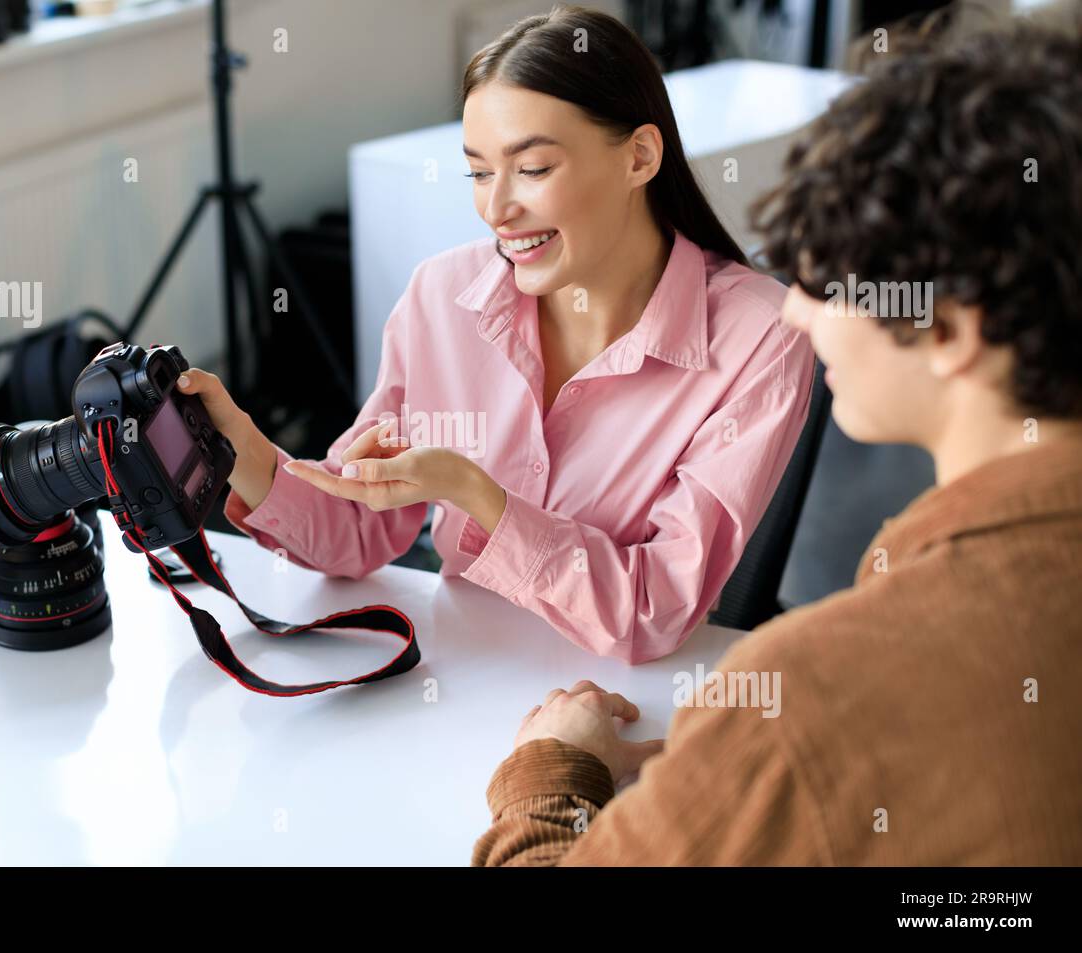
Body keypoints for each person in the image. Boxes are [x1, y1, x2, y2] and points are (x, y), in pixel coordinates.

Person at [471, 18, 1082, 866]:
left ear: (946, 329)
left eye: (826, 278)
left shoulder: (827, 684)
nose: (796, 310)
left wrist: (552, 770)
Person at [177, 5, 814, 663]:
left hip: (626, 701)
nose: (496, 209)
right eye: (479, 172)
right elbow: (357, 530)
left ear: (640, 156)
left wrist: (478, 496)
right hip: (460, 678)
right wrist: (244, 450)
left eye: (532, 169)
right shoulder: (440, 297)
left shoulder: (760, 336)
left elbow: (653, 611)